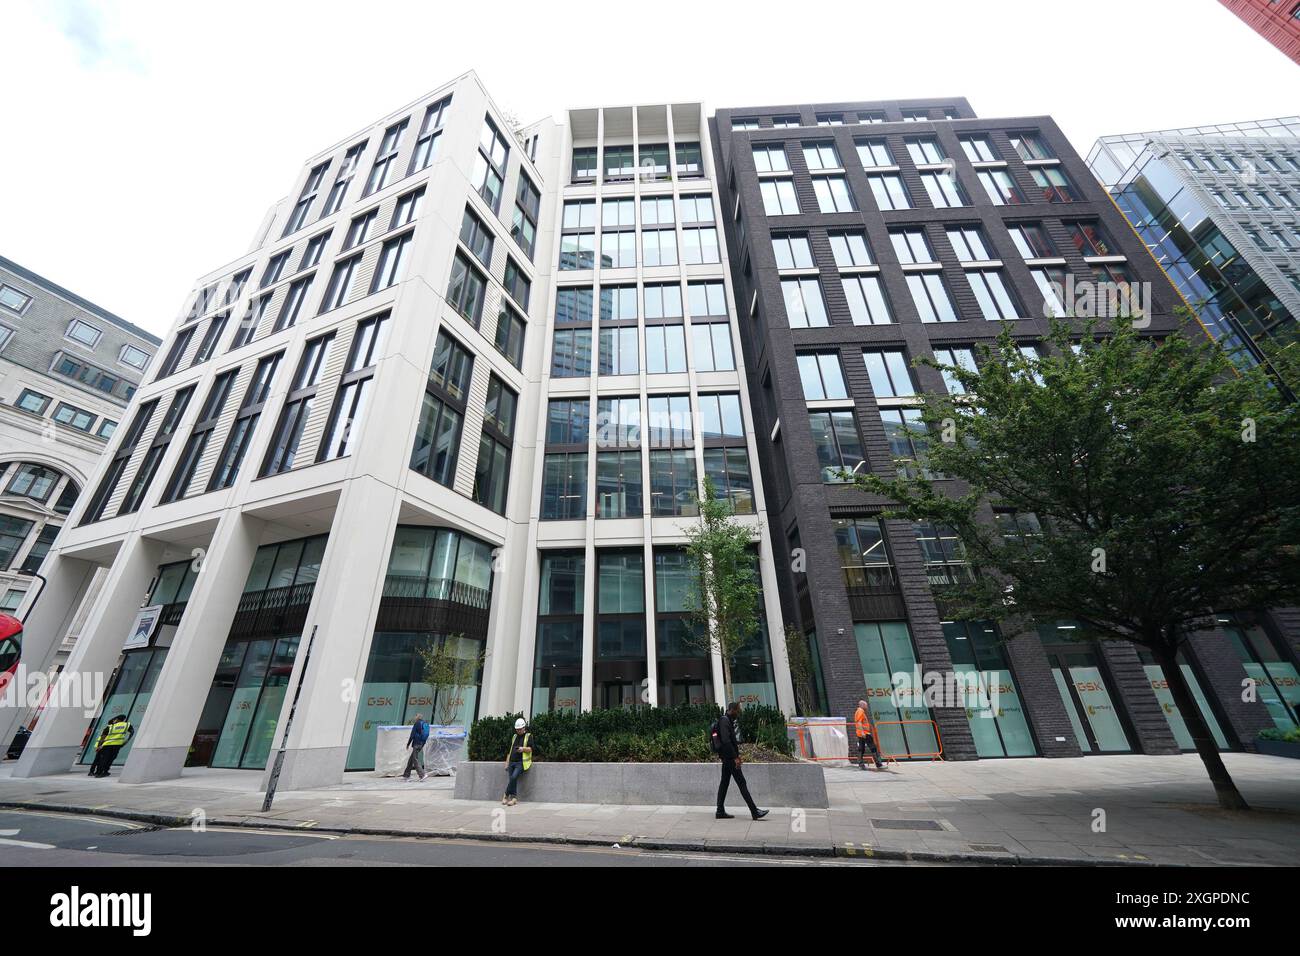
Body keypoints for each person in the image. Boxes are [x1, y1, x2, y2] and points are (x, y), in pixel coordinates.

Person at [715, 701, 769, 821]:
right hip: (729, 758)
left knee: (724, 783)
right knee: (741, 783)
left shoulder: (727, 720)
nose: (739, 713)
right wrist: (735, 757)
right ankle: (754, 811)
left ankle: (719, 811)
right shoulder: (724, 721)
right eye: (738, 710)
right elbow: (726, 741)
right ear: (733, 710)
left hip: (727, 758)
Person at [89, 714, 133, 778]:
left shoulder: (110, 727)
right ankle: (103, 771)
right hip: (117, 745)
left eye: (115, 719)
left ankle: (98, 773)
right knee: (110, 759)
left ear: (117, 719)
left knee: (102, 759)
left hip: (107, 745)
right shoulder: (126, 725)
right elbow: (132, 732)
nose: (114, 721)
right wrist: (126, 741)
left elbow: (102, 737)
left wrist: (99, 746)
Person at [502, 717, 533, 806]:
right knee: (512, 779)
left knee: (513, 777)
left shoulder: (528, 736)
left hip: (521, 762)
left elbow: (530, 749)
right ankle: (513, 798)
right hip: (512, 761)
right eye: (517, 729)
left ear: (524, 728)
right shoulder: (514, 736)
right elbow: (510, 750)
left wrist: (522, 749)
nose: (518, 731)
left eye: (519, 729)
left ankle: (505, 795)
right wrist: (507, 762)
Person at [854, 699, 885, 770]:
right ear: (862, 705)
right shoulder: (860, 711)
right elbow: (859, 722)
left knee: (861, 749)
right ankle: (879, 764)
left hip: (861, 733)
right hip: (865, 733)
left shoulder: (859, 711)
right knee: (873, 747)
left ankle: (861, 765)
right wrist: (862, 732)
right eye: (866, 705)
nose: (867, 706)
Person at [403, 713, 429, 781]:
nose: (415, 717)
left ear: (417, 717)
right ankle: (406, 775)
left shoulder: (417, 723)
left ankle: (422, 775)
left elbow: (412, 735)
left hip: (417, 743)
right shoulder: (424, 723)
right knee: (411, 759)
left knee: (415, 759)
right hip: (421, 744)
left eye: (415, 716)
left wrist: (408, 744)